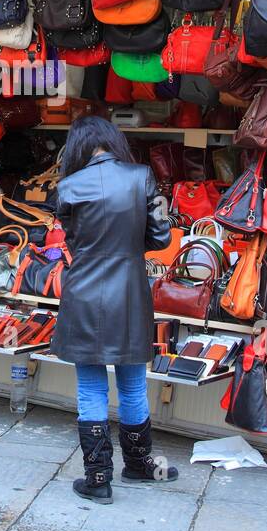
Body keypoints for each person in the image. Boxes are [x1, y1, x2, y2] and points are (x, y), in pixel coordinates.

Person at [49, 116, 180, 504]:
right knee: (133, 386)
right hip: (129, 294)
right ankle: (139, 464)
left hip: (83, 296)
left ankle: (98, 479)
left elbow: (72, 237)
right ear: (113, 141)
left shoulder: (67, 188)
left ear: (78, 147)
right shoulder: (142, 177)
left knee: (90, 388)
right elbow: (161, 235)